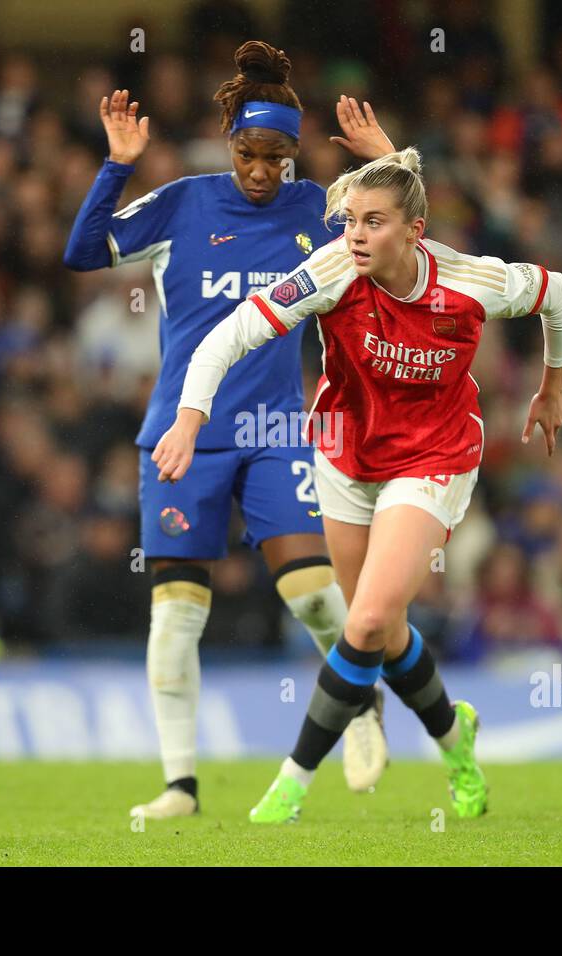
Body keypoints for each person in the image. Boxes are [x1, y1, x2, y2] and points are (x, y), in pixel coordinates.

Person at [153, 148, 562, 822]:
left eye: (373, 222)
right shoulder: (331, 272)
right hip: (346, 457)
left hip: (434, 456)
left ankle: (292, 781)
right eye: (349, 220)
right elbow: (228, 336)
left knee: (368, 620)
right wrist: (188, 418)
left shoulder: (473, 282)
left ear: (414, 231)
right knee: (382, 628)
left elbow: (559, 295)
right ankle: (455, 742)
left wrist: (553, 385)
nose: (354, 234)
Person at [63, 41, 399, 819]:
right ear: (229, 144)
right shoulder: (183, 203)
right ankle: (180, 786)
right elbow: (81, 252)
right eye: (249, 154)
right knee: (176, 616)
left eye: (276, 157)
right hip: (184, 434)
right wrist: (117, 165)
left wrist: (386, 162)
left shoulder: (319, 210)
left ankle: (362, 701)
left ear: (294, 155)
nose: (261, 171)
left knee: (314, 597)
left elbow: (409, 244)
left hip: (278, 429)